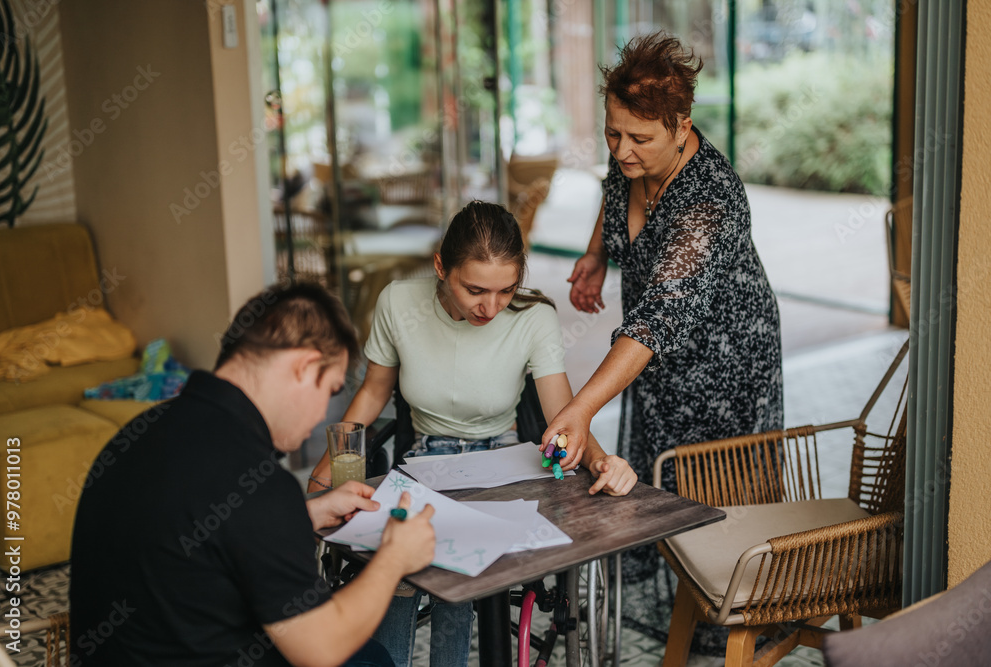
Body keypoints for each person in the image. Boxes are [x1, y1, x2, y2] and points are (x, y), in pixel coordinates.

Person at [307, 200, 637, 667]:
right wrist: (327, 465)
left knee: (460, 573)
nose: (491, 307)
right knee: (396, 566)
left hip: (507, 463)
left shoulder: (533, 317)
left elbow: (565, 416)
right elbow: (373, 393)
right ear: (441, 265)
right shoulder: (398, 302)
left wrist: (600, 460)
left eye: (506, 291)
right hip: (427, 461)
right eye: (475, 289)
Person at [542, 33, 783, 651]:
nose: (621, 150)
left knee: (712, 480)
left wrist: (580, 406)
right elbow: (613, 185)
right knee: (657, 463)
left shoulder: (708, 201)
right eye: (611, 132)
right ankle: (671, 598)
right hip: (658, 355)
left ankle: (723, 620)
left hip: (726, 359)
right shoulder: (633, 158)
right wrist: (596, 254)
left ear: (682, 127)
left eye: (638, 138)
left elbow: (653, 321)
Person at [70, 282, 437, 667]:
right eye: (328, 392)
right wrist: (395, 558)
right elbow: (322, 648)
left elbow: (194, 532)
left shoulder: (138, 432)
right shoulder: (256, 482)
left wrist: (303, 513)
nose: (318, 420)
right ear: (305, 366)